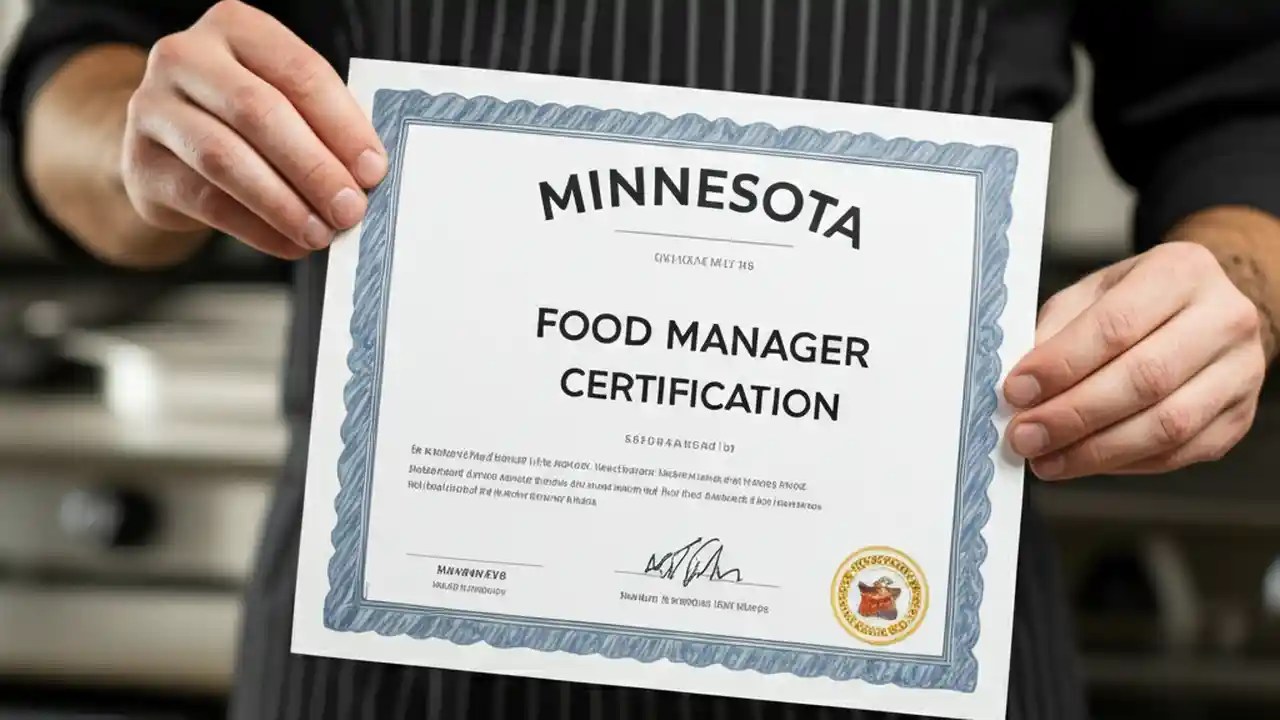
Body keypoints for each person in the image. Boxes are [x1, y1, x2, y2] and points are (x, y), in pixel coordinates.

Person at [3, 1, 1278, 718]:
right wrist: (143, 142)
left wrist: (1231, 283)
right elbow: (76, 73)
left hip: (903, 634)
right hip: (392, 654)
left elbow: (1241, 102)